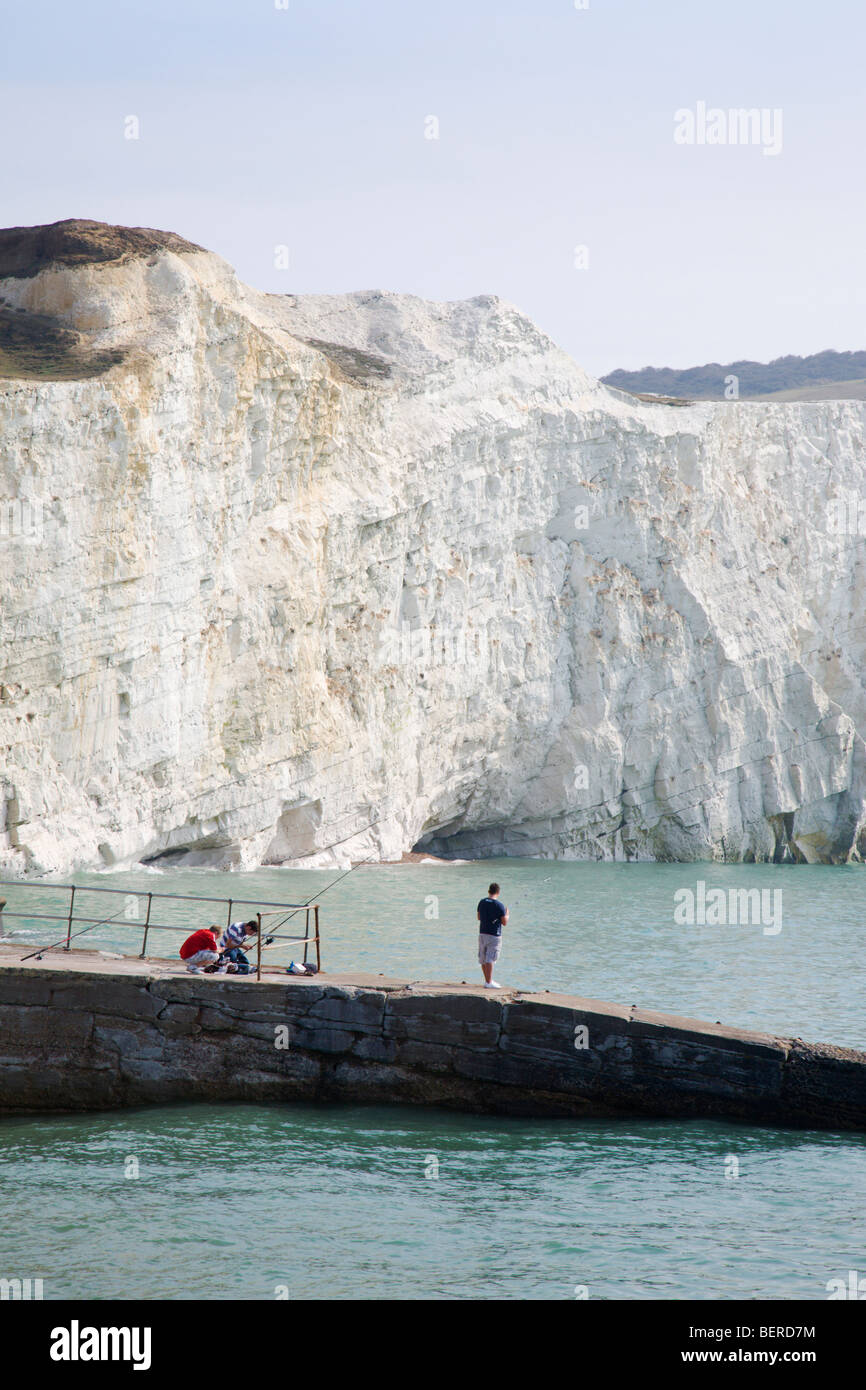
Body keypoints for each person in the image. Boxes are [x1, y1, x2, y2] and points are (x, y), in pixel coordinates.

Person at [477, 882, 508, 988]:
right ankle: (489, 982)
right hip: (494, 935)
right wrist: (507, 914)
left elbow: (479, 917)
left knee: (483, 958)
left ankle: (487, 981)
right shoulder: (500, 905)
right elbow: (504, 923)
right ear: (498, 892)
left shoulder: (482, 902)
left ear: (489, 891)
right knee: (490, 958)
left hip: (482, 933)